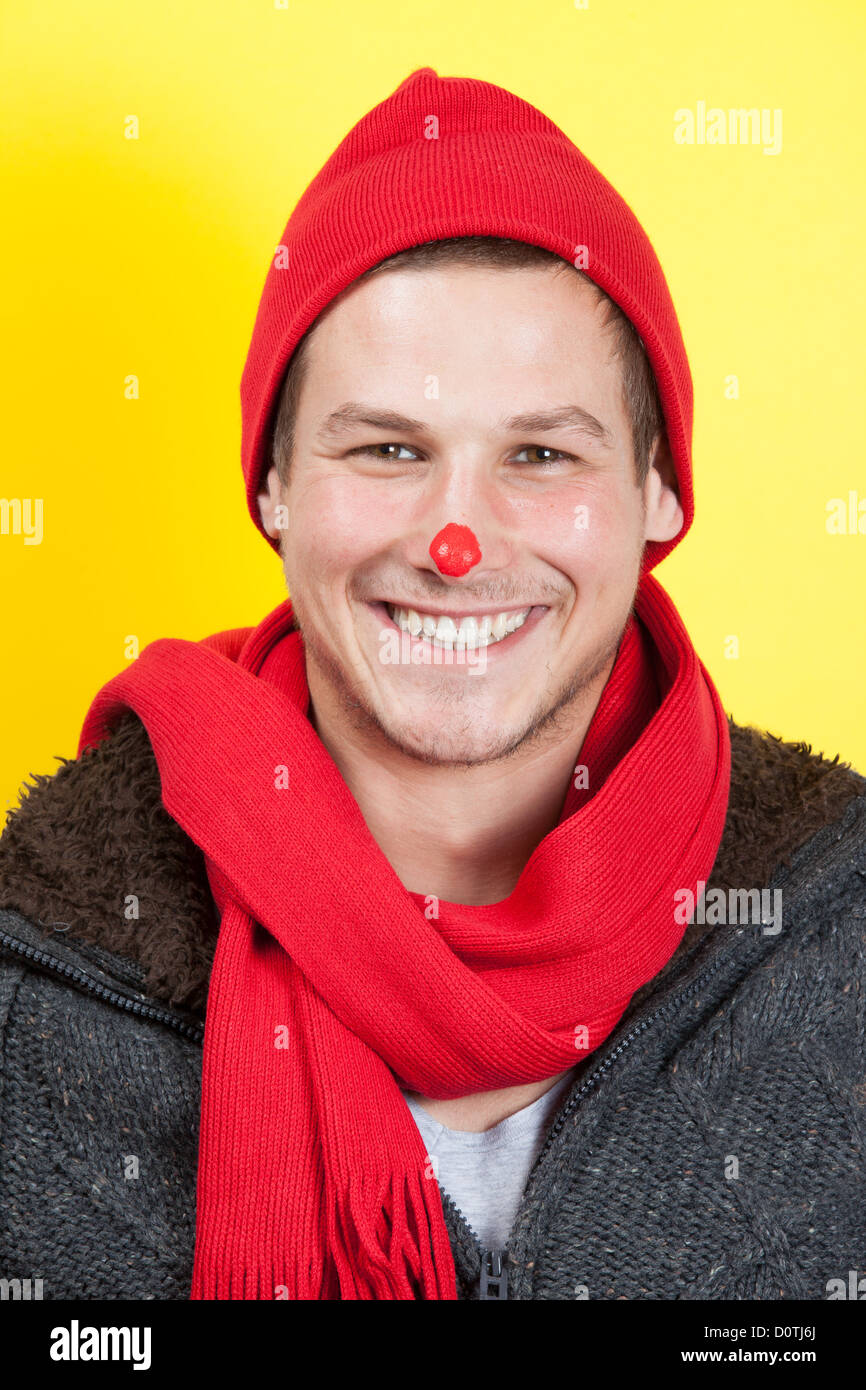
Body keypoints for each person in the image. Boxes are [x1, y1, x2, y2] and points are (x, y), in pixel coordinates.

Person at [0, 67, 863, 1302]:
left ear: (658, 494)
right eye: (388, 448)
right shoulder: (32, 999)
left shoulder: (836, 935)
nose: (456, 542)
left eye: (540, 452)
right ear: (272, 489)